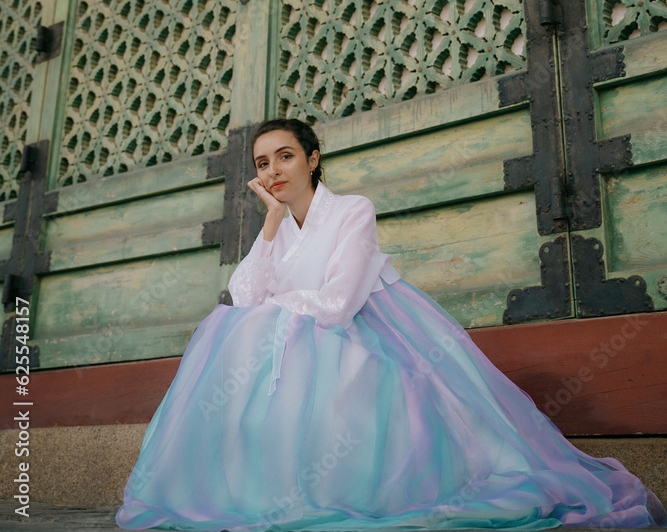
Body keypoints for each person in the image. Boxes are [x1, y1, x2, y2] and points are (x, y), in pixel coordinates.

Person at [116, 118, 667, 531]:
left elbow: (339, 305)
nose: (273, 172)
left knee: (312, 355)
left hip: (370, 331)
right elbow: (242, 297)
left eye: (284, 157)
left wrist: (282, 307)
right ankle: (260, 490)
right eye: (262, 164)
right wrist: (271, 221)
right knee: (232, 334)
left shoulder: (352, 209)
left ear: (312, 159)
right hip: (303, 342)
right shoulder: (278, 224)